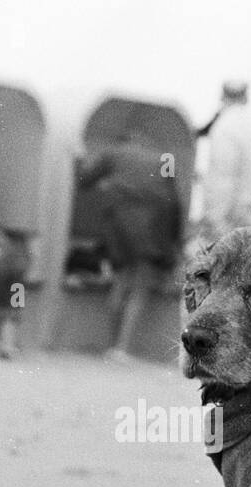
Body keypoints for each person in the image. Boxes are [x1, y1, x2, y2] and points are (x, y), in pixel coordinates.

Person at [77, 129, 183, 360]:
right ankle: (121, 349)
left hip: (116, 223)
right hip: (151, 226)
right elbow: (173, 200)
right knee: (140, 285)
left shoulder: (113, 153)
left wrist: (79, 158)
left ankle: (111, 345)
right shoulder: (164, 158)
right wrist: (174, 241)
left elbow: (83, 179)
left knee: (121, 278)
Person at [196, 81, 251, 245]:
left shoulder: (224, 127)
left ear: (222, 96)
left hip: (229, 223)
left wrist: (213, 220)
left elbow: (222, 180)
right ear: (246, 97)